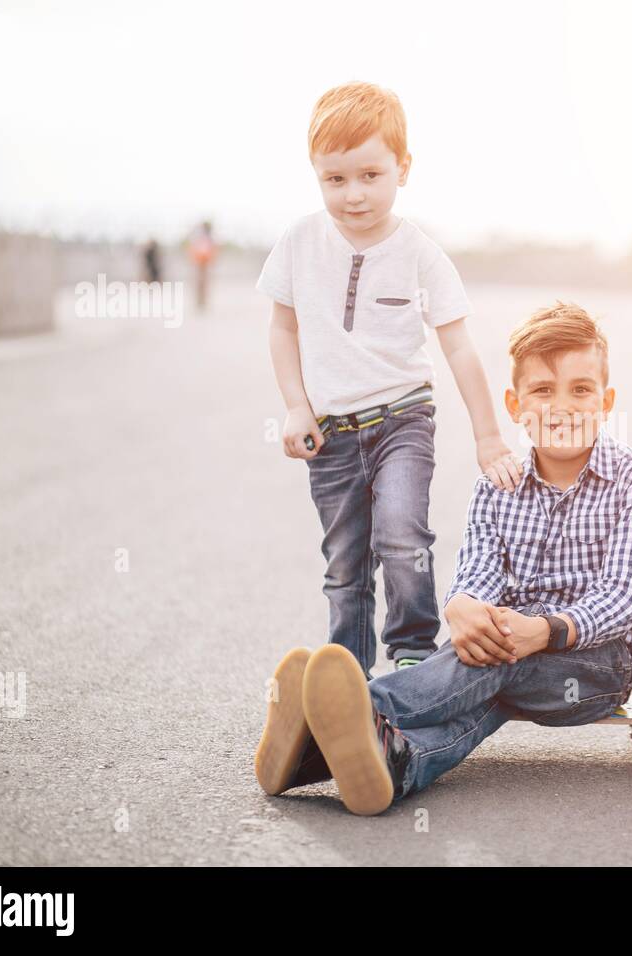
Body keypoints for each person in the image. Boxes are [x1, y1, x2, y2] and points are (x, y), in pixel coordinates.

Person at [253, 303, 632, 815]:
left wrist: (548, 631)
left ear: (606, 401)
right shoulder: (498, 481)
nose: (562, 405)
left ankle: (357, 709)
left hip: (597, 665)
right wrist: (465, 604)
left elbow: (623, 595)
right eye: (542, 390)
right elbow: (480, 567)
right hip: (503, 649)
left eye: (581, 389)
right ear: (514, 404)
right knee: (483, 673)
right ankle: (390, 763)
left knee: (496, 657)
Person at [255, 81, 520, 674]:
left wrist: (488, 437)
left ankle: (410, 655)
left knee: (403, 536)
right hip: (330, 432)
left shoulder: (420, 254)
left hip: (403, 418)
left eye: (371, 175)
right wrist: (296, 406)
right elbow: (282, 329)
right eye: (336, 179)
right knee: (345, 563)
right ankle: (346, 676)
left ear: (404, 167)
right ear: (316, 174)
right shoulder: (299, 242)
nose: (354, 195)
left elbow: (458, 347)